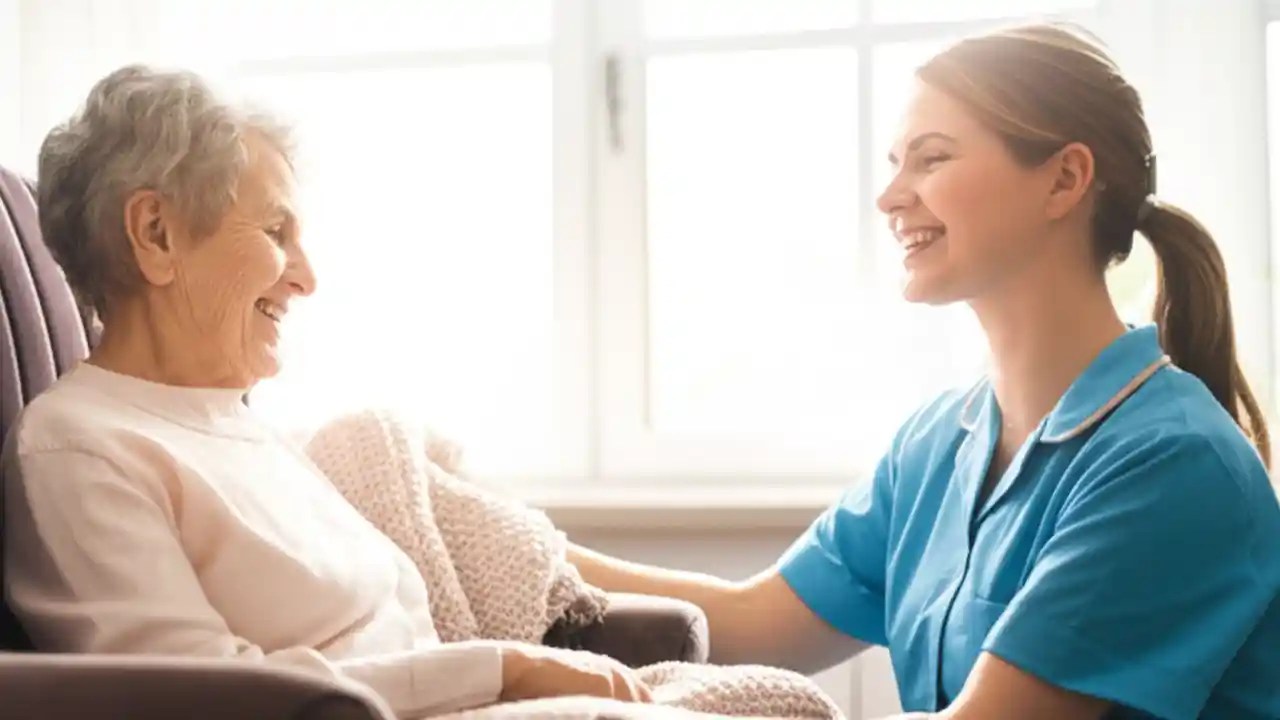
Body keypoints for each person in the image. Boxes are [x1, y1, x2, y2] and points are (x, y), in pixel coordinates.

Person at [570, 23, 1280, 720]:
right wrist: (499, 538)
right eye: (894, 163)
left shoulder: (1171, 462)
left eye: (932, 159)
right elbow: (746, 622)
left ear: (1065, 179)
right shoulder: (939, 442)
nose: (891, 197)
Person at [0, 65, 651, 719]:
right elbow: (208, 694)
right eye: (275, 234)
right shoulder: (78, 450)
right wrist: (502, 670)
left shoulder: (234, 424)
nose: (306, 278)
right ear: (157, 234)